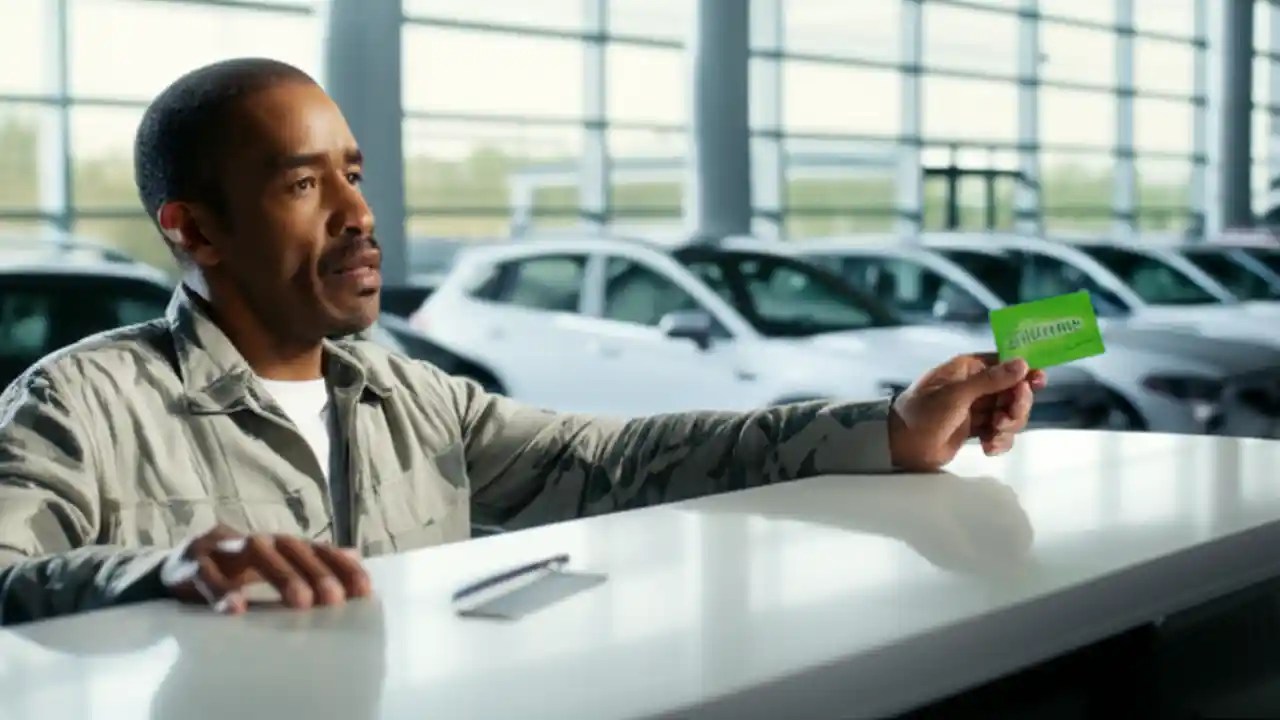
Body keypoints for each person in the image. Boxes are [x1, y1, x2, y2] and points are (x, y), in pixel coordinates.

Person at [0, 58, 1046, 625]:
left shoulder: (416, 400)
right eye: (303, 184)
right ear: (196, 231)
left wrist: (893, 428)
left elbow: (626, 459)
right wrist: (161, 569)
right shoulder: (81, 405)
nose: (358, 215)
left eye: (354, 174)